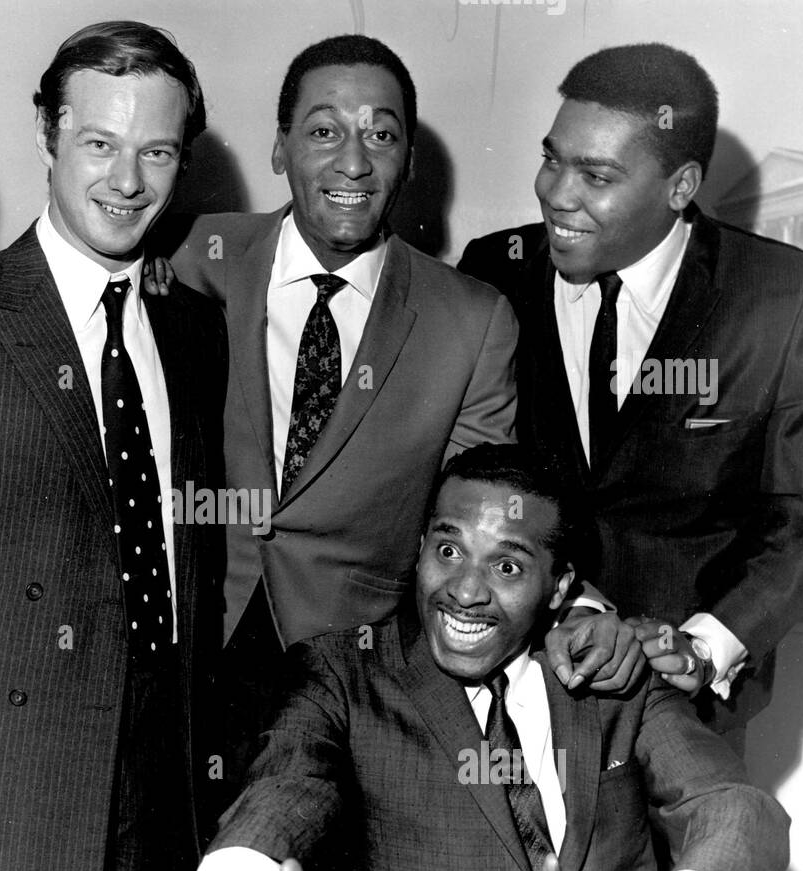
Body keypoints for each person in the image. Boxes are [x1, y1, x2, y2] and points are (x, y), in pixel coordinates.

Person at [180, 444, 790, 871]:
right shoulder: (346, 676)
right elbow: (282, 792)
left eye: (506, 565)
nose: (466, 591)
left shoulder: (611, 678)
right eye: (448, 551)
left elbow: (734, 808)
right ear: (419, 548)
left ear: (558, 586)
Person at [0, 21, 227, 871]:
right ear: (47, 134)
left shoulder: (192, 326)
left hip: (150, 819)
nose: (128, 180)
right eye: (99, 143)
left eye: (157, 151)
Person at [155, 35, 528, 813]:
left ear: (409, 163)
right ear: (280, 147)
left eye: (381, 135)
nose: (353, 163)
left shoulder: (472, 320)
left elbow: (478, 519)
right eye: (324, 131)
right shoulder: (195, 253)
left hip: (352, 673)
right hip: (186, 647)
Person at [459, 44, 803, 747]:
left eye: (596, 175)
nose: (557, 192)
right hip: (509, 687)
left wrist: (701, 645)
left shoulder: (783, 296)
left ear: (681, 187)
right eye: (552, 158)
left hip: (679, 709)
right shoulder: (496, 269)